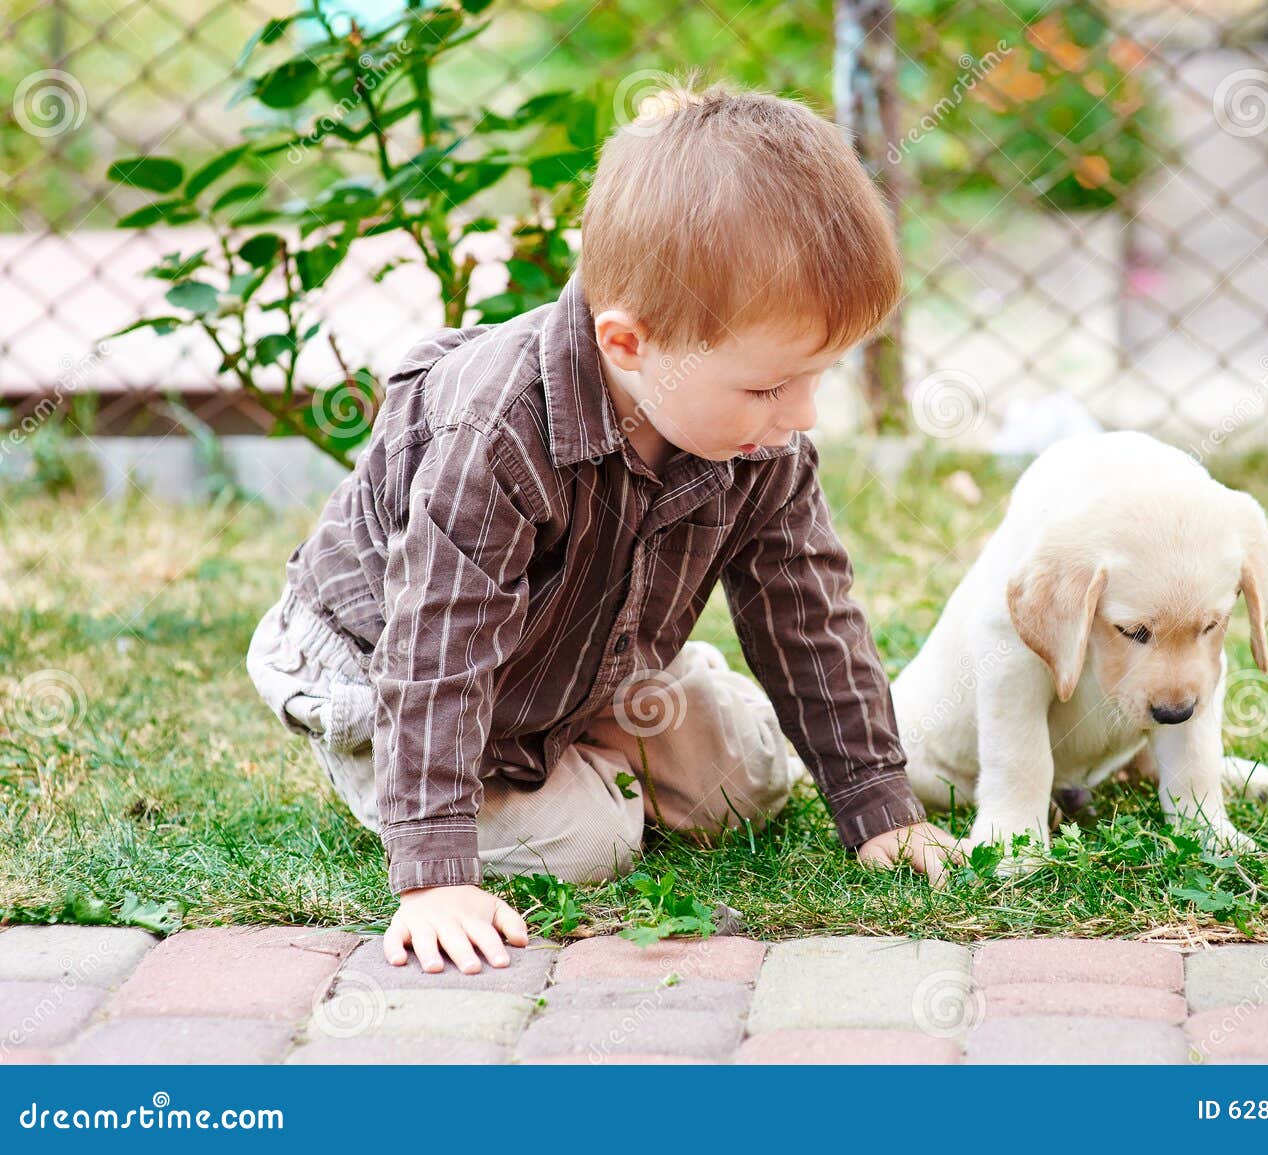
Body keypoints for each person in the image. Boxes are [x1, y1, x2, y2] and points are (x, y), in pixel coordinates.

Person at [245, 79, 958, 976]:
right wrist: (433, 869)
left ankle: (590, 733)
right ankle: (511, 774)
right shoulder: (496, 430)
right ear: (629, 345)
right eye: (772, 385)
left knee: (750, 783)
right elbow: (438, 641)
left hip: (583, 658)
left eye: (820, 377)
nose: (803, 412)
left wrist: (876, 801)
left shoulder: (759, 436)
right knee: (588, 846)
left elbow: (807, 613)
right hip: (386, 668)